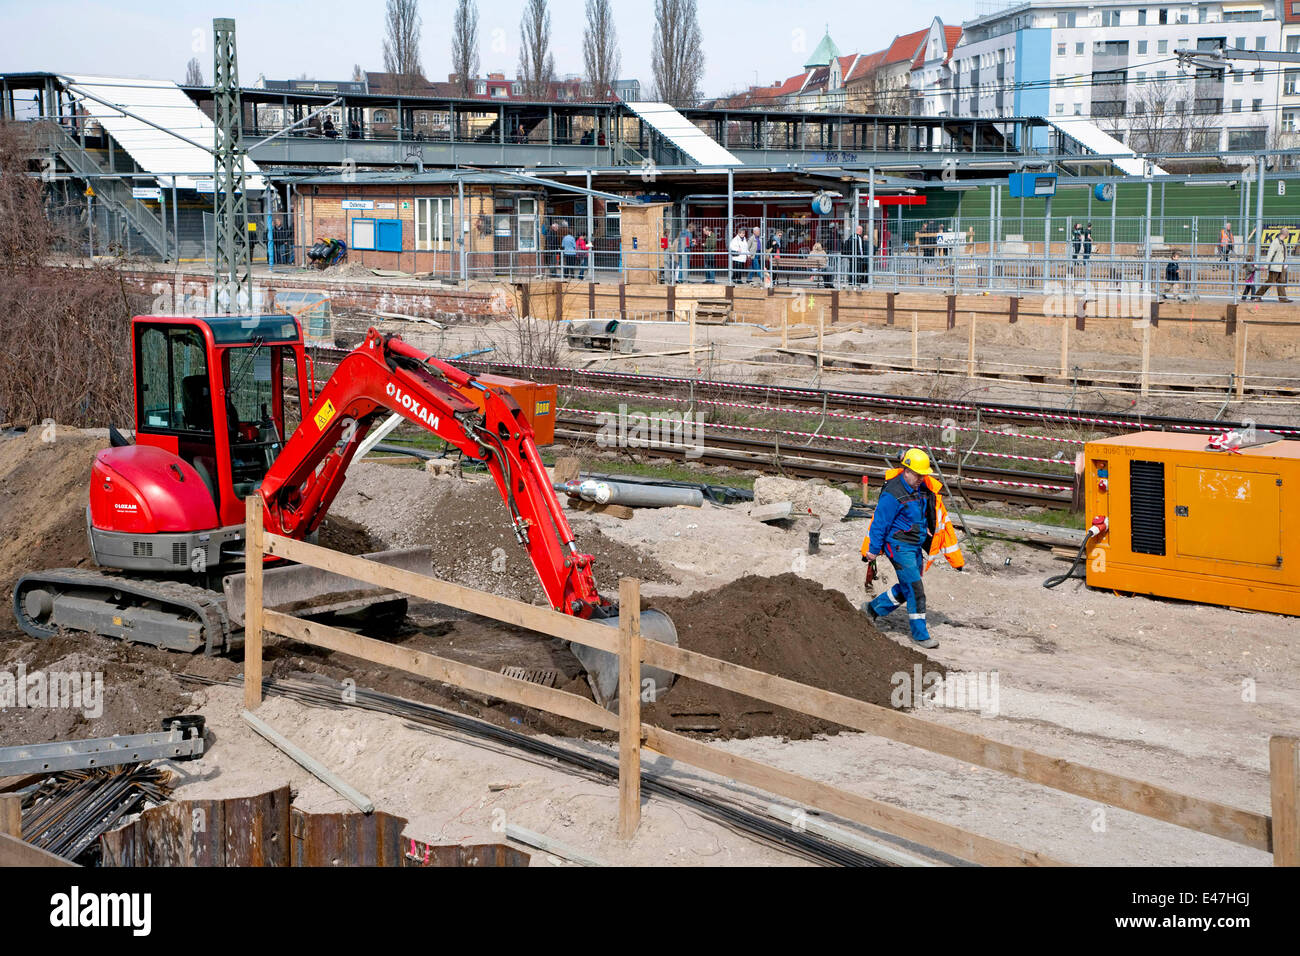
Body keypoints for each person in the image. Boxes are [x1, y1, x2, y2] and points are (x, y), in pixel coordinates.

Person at [861, 448, 965, 650]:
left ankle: (872, 609)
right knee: (916, 590)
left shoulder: (919, 487)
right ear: (906, 471)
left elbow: (923, 510)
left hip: (915, 545)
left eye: (923, 475)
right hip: (899, 546)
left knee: (907, 586)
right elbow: (879, 524)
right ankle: (920, 635)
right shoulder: (893, 494)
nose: (921, 479)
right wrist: (873, 550)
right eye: (918, 475)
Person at [1256, 228, 1293, 302]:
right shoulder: (1275, 242)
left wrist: (1285, 263)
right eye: (1287, 234)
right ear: (1285, 234)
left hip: (1281, 266)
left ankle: (1282, 298)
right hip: (1275, 266)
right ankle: (1257, 296)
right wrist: (1266, 265)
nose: (1288, 236)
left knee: (1281, 281)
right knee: (1270, 281)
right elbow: (1270, 254)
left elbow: (1282, 255)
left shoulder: (1282, 243)